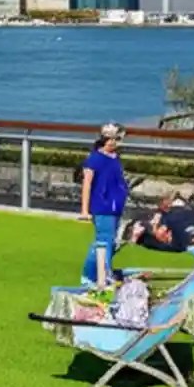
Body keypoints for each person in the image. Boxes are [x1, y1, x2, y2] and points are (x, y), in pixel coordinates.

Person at [78, 124, 129, 289]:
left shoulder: (115, 159)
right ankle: (96, 275)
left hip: (115, 208)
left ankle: (96, 274)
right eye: (114, 139)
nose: (117, 142)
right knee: (104, 241)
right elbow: (87, 184)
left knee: (110, 242)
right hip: (102, 207)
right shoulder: (94, 159)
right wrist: (85, 210)